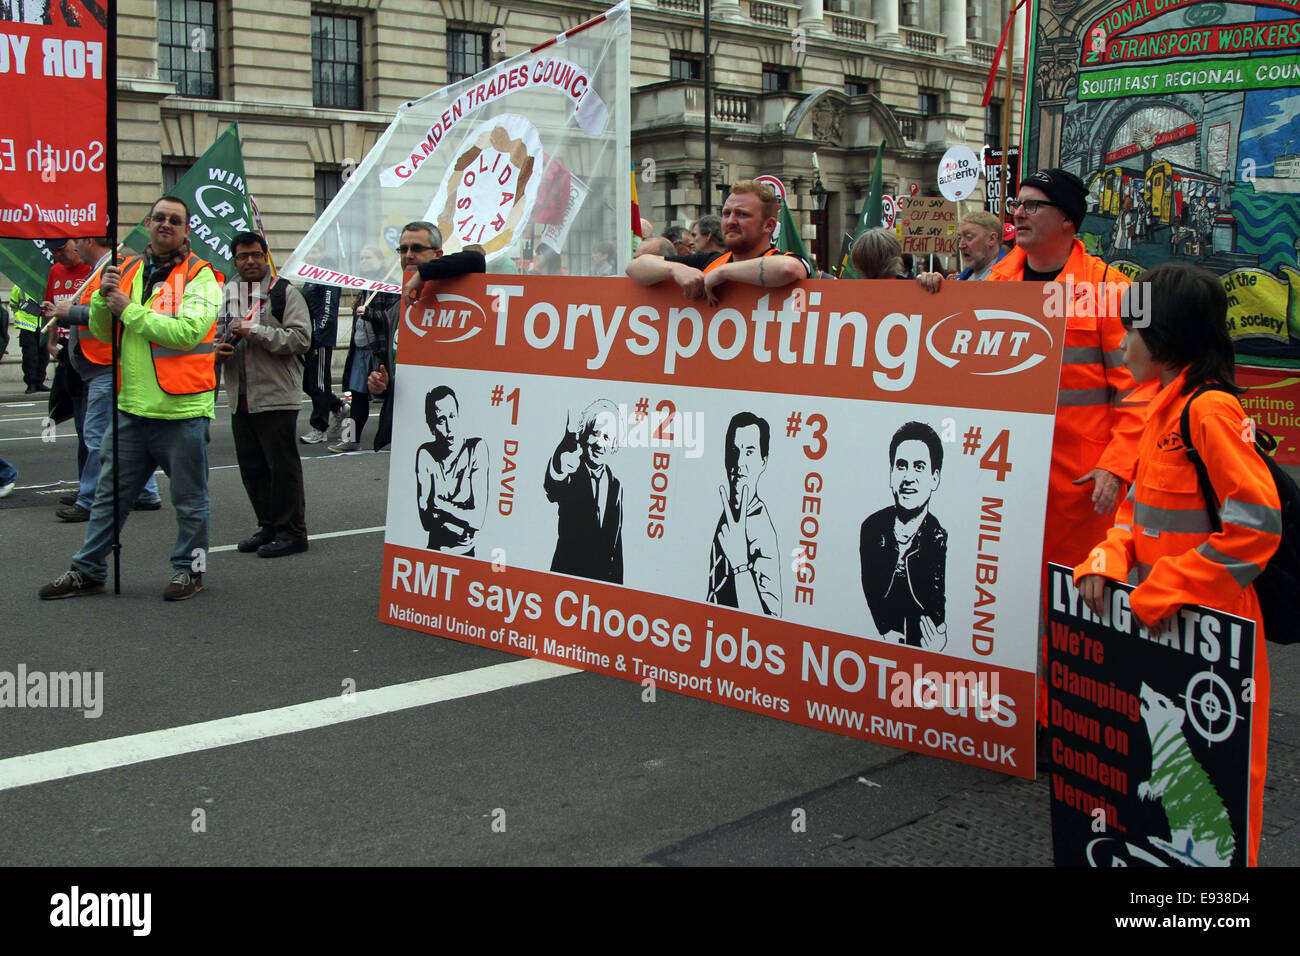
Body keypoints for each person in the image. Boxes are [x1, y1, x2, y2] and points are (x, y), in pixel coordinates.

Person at [1074, 262, 1277, 866]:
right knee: (1169, 785)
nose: (1122, 343)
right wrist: (1106, 559)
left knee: (1224, 794)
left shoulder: (1207, 411)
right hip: (1170, 627)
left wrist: (1165, 586)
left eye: (1131, 330)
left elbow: (1257, 527)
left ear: (1163, 334)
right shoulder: (1166, 406)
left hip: (1215, 633)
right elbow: (1137, 515)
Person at [989, 167, 1151, 726]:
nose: (1019, 213)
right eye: (1017, 204)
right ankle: (1030, 719)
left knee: (1080, 605)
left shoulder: (1117, 291)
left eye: (1033, 205)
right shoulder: (993, 283)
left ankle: (1080, 725)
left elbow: (1141, 392)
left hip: (1080, 488)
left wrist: (1116, 467)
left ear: (1067, 221)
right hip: (1007, 475)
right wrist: (930, 292)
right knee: (1010, 598)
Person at [38, 195, 221, 601]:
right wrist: (103, 299)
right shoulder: (129, 269)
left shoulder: (201, 275)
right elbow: (106, 331)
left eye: (175, 220)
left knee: (190, 502)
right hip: (131, 409)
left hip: (182, 411)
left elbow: (187, 333)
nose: (166, 224)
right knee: (108, 497)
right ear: (148, 224)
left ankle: (190, 571)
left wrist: (127, 308)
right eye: (159, 217)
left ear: (186, 230)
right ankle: (88, 570)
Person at [337, 222, 485, 453]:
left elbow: (476, 260)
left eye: (417, 248)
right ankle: (350, 438)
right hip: (409, 426)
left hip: (456, 424)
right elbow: (395, 368)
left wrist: (423, 273)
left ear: (438, 254)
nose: (408, 255)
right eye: (403, 249)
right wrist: (382, 383)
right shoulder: (400, 307)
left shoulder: (460, 290)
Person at [49, 231, 162, 521]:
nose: (73, 247)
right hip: (97, 365)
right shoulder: (99, 271)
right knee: (124, 434)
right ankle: (145, 492)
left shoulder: (116, 269)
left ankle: (90, 499)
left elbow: (112, 311)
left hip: (107, 365)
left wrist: (70, 311)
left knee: (97, 436)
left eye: (77, 241)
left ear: (89, 241)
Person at [214, 231, 312, 558]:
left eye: (256, 254)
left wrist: (254, 330)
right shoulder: (229, 293)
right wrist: (217, 350)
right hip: (240, 396)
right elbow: (217, 332)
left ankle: (292, 532)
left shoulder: (284, 292)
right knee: (252, 468)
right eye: (243, 256)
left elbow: (300, 339)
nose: (250, 261)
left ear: (265, 256)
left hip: (276, 394)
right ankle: (268, 526)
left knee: (282, 469)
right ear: (235, 261)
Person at [626, 180, 812, 304]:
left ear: (769, 225)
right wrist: (675, 269)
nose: (731, 221)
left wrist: (723, 272)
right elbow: (635, 267)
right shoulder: (709, 261)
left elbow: (788, 269)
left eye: (742, 214)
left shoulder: (784, 258)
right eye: (726, 213)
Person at [859, 422, 948, 649]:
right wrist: (882, 633)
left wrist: (937, 647)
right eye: (901, 466)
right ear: (891, 475)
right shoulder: (871, 529)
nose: (908, 477)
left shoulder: (940, 540)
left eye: (919, 467)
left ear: (935, 478)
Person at [708, 412, 781, 616]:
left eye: (749, 452)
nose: (739, 462)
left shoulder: (761, 528)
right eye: (734, 451)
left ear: (763, 462)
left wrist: (740, 562)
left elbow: (770, 621)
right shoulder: (728, 512)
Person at [544, 398, 622, 583]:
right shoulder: (572, 471)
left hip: (601, 584)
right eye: (595, 433)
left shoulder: (616, 485)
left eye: (607, 437)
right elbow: (553, 486)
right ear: (584, 435)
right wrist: (559, 462)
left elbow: (616, 544)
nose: (600, 443)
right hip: (566, 577)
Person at [415, 385, 488, 554]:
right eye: (441, 420)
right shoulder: (426, 453)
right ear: (431, 426)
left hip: (466, 553)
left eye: (452, 416)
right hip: (435, 550)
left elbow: (477, 520)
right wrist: (463, 516)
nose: (449, 427)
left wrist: (440, 504)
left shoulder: (476, 448)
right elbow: (426, 521)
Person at [299, 279, 344, 444]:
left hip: (320, 340)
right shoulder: (311, 277)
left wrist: (317, 339)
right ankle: (338, 406)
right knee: (307, 383)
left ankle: (319, 428)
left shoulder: (328, 279)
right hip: (309, 338)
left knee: (319, 384)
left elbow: (327, 313)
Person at [916, 210, 1007, 289]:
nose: (961, 245)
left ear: (991, 239)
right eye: (959, 238)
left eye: (969, 237)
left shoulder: (1011, 277)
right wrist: (941, 287)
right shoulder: (962, 278)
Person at [10, 282, 48, 393]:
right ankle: (31, 383)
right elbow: (13, 305)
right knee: (30, 356)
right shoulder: (19, 286)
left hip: (43, 325)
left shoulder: (44, 284)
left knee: (44, 356)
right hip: (27, 326)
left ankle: (39, 382)